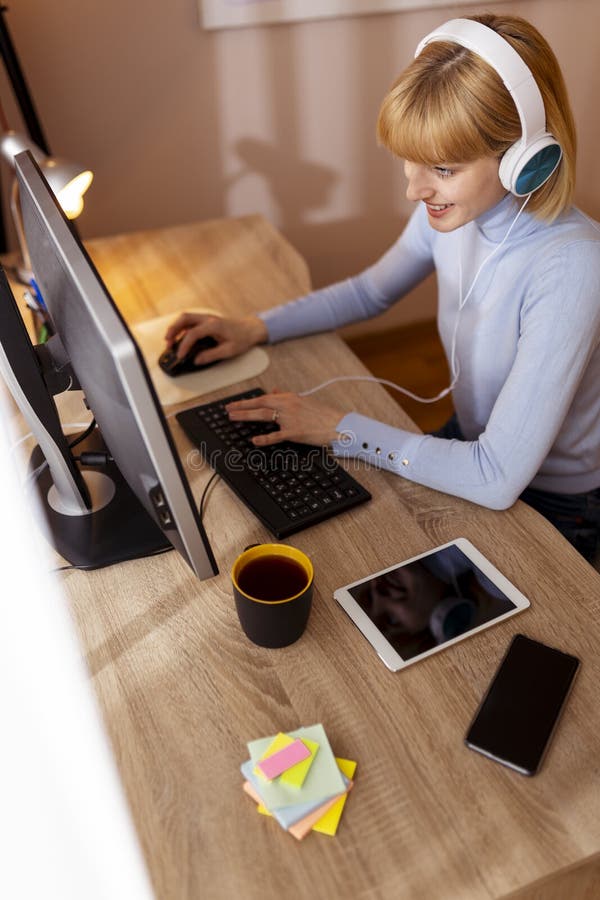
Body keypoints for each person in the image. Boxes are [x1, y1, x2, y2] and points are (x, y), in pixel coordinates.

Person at [164, 13, 600, 562]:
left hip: (552, 502)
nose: (416, 188)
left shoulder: (571, 267)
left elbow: (495, 476)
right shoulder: (460, 211)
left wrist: (336, 427)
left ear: (523, 160)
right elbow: (370, 292)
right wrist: (255, 327)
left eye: (441, 168)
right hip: (468, 442)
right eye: (410, 162)